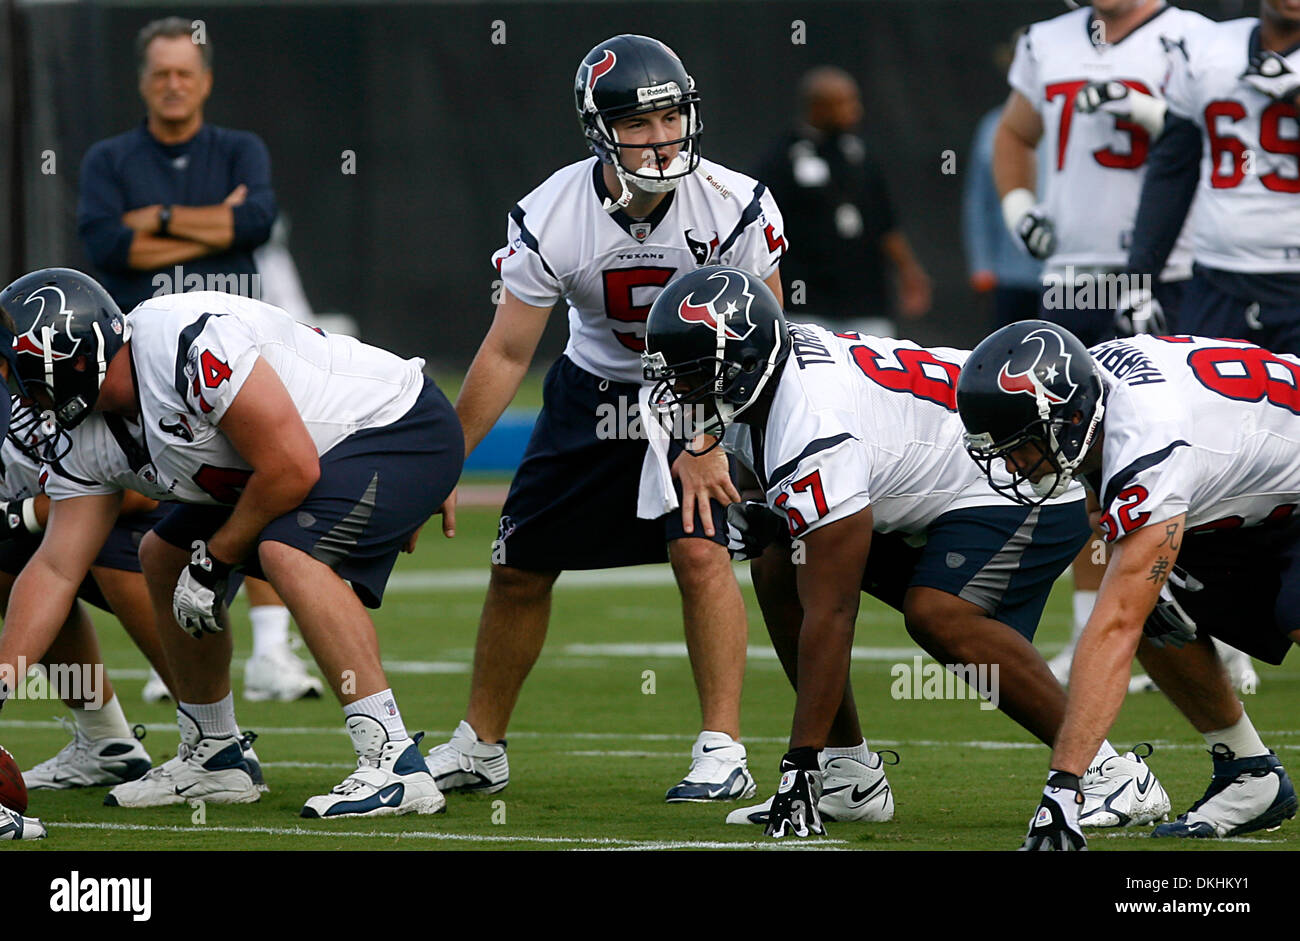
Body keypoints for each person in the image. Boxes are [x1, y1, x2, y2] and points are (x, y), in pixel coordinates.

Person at [641, 266, 1169, 838]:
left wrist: (797, 766)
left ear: (742, 367)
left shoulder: (814, 428)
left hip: (1024, 475)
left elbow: (834, 612)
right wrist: (755, 500)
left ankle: (1111, 772)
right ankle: (850, 774)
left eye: (694, 378)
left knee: (938, 613)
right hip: (944, 480)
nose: (682, 394)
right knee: (779, 559)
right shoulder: (773, 378)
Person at [425, 34, 788, 803]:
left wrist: (706, 433)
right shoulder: (554, 213)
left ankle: (722, 748)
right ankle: (480, 744)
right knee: (518, 567)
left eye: (670, 119)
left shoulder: (733, 202)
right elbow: (503, 354)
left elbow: (766, 338)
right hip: (594, 391)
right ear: (599, 129)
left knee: (701, 553)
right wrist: (445, 458)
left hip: (703, 390)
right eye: (638, 124)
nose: (660, 140)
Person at [0, 268, 462, 822]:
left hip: (390, 425)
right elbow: (55, 567)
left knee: (286, 553)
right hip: (294, 461)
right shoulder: (83, 432)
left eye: (20, 373)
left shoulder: (184, 346)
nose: (17, 392)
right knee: (162, 555)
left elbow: (290, 468)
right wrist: (5, 678)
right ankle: (215, 755)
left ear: (73, 358)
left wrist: (215, 560)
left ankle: (395, 763)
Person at [958, 320, 1300, 849]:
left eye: (1020, 446)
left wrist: (1065, 786)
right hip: (1263, 493)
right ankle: (1249, 774)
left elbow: (1115, 624)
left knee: (1277, 612)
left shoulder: (1146, 441)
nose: (1012, 464)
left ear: (1067, 418)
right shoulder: (1091, 392)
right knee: (1153, 608)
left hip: (1275, 486)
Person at [75, 17, 316, 703]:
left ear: (205, 81)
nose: (173, 85)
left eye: (185, 72)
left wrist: (151, 220)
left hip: (235, 349)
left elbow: (256, 224)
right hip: (145, 361)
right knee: (153, 499)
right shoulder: (108, 159)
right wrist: (208, 221)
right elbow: (106, 247)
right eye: (161, 74)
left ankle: (272, 651)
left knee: (263, 477)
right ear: (143, 84)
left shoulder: (241, 148)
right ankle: (173, 651)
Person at [993, 0, 1209, 687]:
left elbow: (1222, 143)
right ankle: (1092, 619)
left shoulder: (1195, 40)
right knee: (1078, 457)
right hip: (1071, 276)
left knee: (1174, 451)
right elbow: (1013, 134)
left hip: (1165, 268)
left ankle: (1210, 629)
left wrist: (1153, 116)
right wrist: (1020, 207)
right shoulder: (1048, 39)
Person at [753, 66, 930, 337]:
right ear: (818, 107)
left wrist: (909, 271)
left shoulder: (860, 154)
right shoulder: (780, 160)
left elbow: (884, 222)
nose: (855, 110)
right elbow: (761, 231)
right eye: (844, 103)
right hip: (806, 303)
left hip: (866, 303)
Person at [962, 33, 1044, 330]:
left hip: (1072, 277)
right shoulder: (991, 127)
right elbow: (978, 201)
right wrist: (982, 265)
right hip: (1011, 273)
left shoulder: (1077, 123)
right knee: (1013, 360)